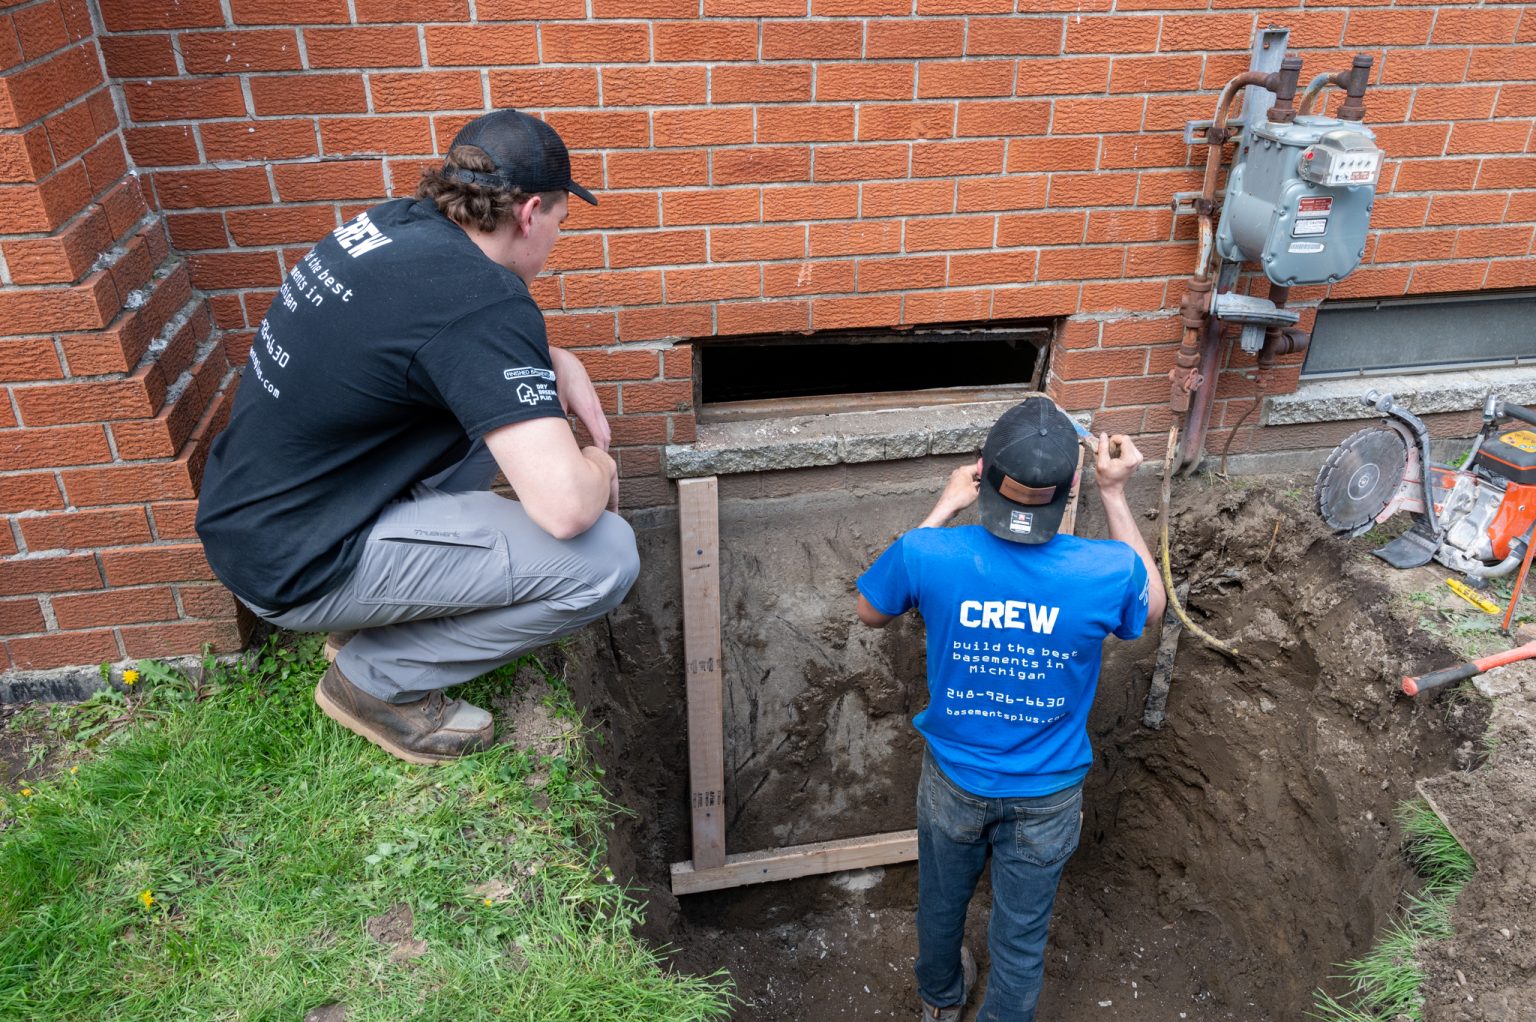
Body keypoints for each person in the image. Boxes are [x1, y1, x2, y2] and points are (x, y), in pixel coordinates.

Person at [196, 109, 638, 765]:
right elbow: (568, 508)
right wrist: (597, 463)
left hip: (262, 521)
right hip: (303, 562)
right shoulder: (482, 301)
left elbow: (437, 335)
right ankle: (377, 682)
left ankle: (363, 622)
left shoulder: (398, 226)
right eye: (559, 224)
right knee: (607, 558)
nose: (554, 238)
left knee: (498, 411)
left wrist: (552, 360)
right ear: (529, 213)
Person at [854, 396, 1167, 1022]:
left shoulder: (929, 554)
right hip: (1049, 793)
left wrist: (945, 504)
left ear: (982, 472)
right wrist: (1114, 494)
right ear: (1069, 485)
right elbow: (1152, 606)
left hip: (955, 779)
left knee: (941, 904)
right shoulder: (1105, 570)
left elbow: (871, 609)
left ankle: (939, 1003)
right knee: (1021, 939)